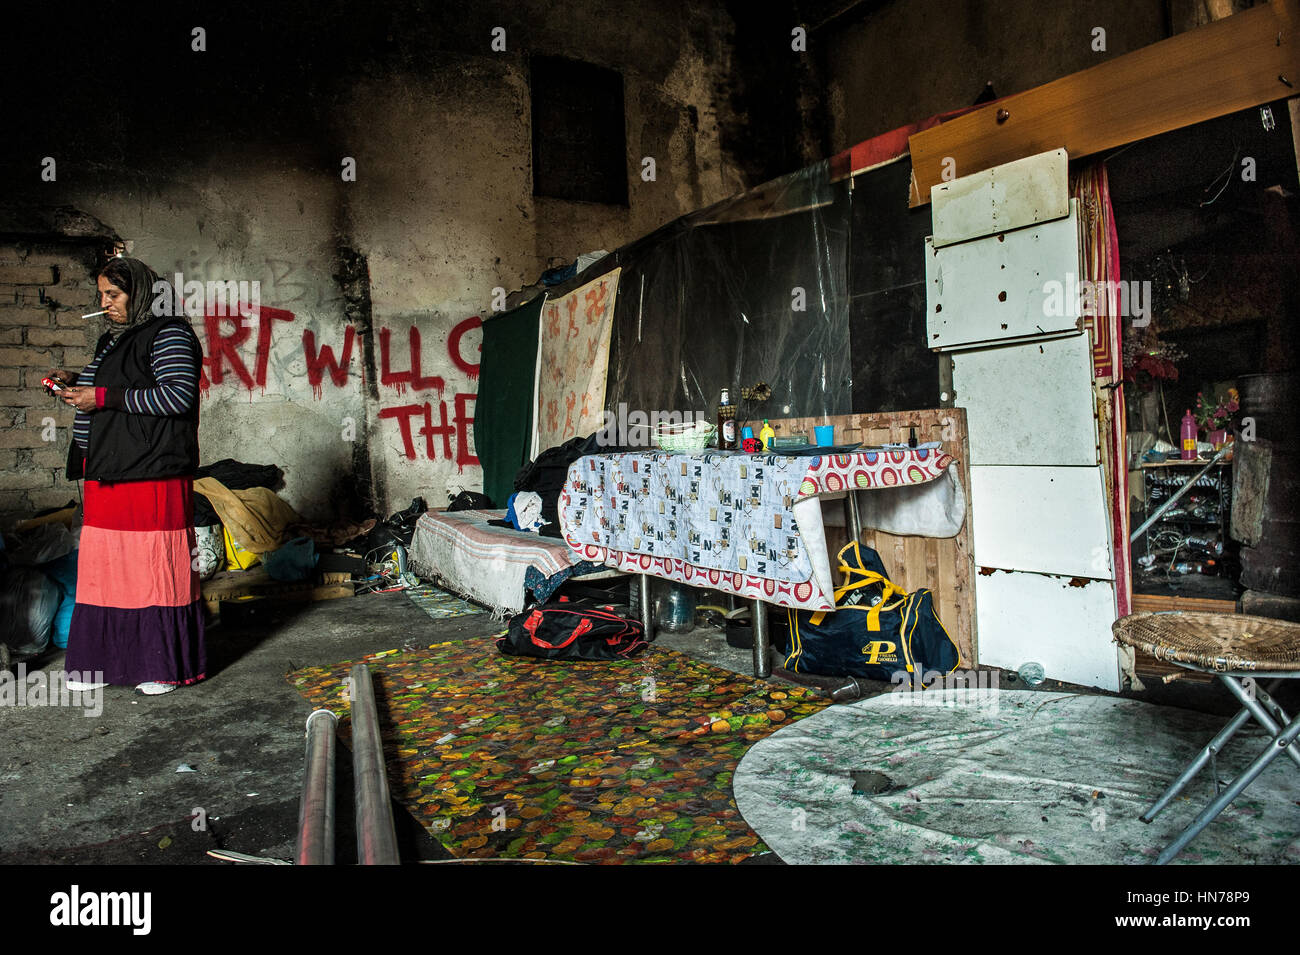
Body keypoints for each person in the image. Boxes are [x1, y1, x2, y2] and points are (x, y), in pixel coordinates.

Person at [49, 256, 207, 695]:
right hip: (109, 468)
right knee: (107, 569)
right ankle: (99, 664)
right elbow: (124, 384)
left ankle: (160, 666)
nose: (105, 304)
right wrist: (75, 379)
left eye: (113, 295)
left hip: (151, 471)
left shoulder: (170, 333)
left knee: (154, 568)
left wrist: (99, 396)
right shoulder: (114, 339)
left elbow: (176, 396)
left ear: (140, 295)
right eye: (101, 295)